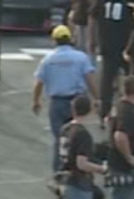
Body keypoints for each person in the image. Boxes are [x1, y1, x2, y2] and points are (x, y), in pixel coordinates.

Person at [33, 25, 96, 176]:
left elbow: (39, 82)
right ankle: (78, 168)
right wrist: (97, 97)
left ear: (54, 40)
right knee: (78, 135)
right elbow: (89, 78)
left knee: (60, 138)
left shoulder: (48, 60)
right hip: (77, 100)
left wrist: (35, 101)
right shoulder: (80, 57)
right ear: (70, 39)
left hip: (57, 102)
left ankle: (59, 171)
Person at [96, 0, 134, 121]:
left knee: (107, 78)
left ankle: (104, 111)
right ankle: (129, 109)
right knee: (129, 76)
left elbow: (94, 15)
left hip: (107, 40)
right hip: (126, 42)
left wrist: (93, 38)